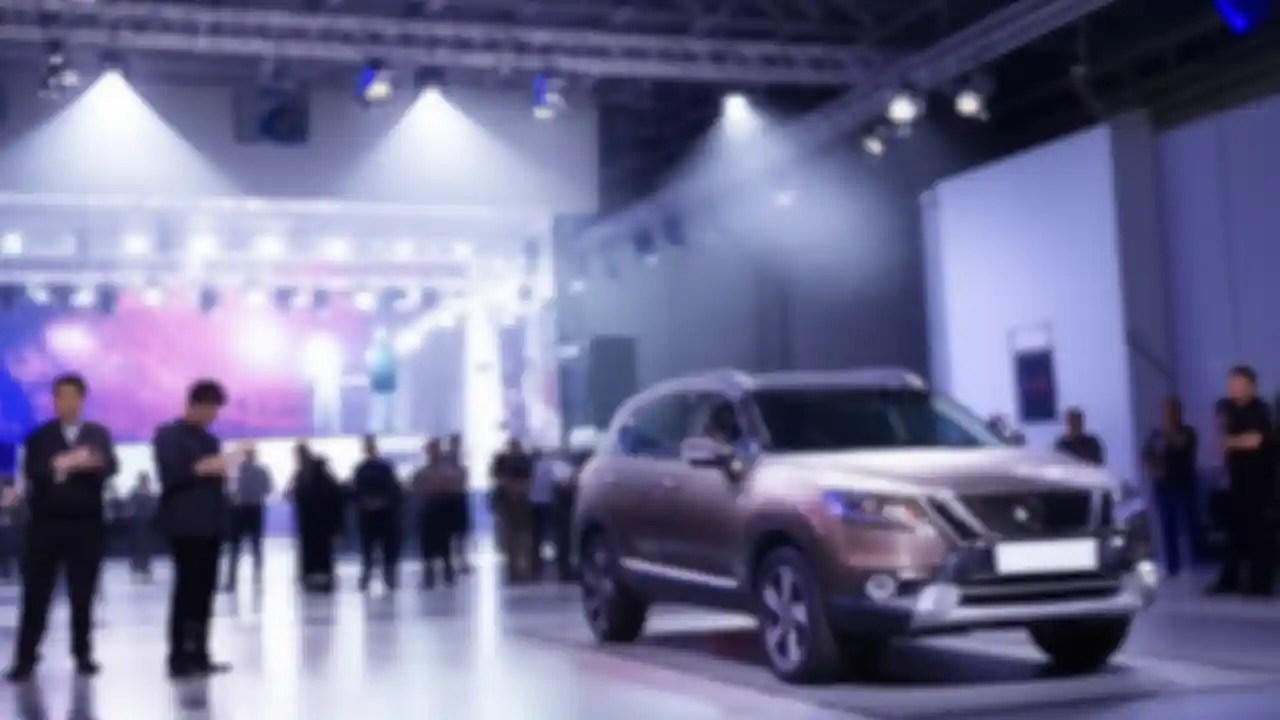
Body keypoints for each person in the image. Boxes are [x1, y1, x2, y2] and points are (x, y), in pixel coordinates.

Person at [6, 374, 118, 683]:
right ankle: (25, 657)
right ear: (54, 401)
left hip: (86, 525)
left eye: (72, 396)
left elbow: (109, 466)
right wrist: (66, 464)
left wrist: (87, 464)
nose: (66, 402)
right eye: (60, 396)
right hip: (46, 526)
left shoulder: (97, 434)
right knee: (36, 593)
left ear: (81, 400)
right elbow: (35, 471)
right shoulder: (39, 437)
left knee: (83, 593)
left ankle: (83, 654)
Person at [153, 379, 235, 678]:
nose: (213, 416)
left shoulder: (210, 441)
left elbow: (216, 478)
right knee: (186, 589)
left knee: (205, 591)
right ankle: (179, 655)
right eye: (211, 409)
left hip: (211, 524)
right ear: (196, 405)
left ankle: (200, 652)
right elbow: (173, 474)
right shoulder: (169, 435)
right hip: (184, 525)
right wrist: (206, 467)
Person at [1211, 366, 1276, 597]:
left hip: (1259, 484)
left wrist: (1230, 442)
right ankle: (1229, 581)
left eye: (1237, 384)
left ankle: (1260, 585)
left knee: (1259, 534)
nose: (1232, 389)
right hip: (1236, 482)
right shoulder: (1228, 409)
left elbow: (1256, 440)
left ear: (1251, 387)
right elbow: (1220, 437)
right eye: (1231, 384)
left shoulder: (1260, 410)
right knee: (1234, 533)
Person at [1142, 397, 1201, 577]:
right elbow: (1146, 456)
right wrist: (1153, 469)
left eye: (1173, 411)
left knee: (1191, 525)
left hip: (1185, 484)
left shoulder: (1188, 432)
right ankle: (1172, 566)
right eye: (1167, 411)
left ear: (1179, 412)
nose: (1170, 415)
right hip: (1163, 486)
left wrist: (1168, 434)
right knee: (1168, 526)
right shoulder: (1155, 435)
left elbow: (1181, 443)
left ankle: (1196, 563)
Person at [352, 435, 403, 591]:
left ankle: (388, 574)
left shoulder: (383, 468)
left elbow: (394, 489)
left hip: (384, 513)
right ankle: (368, 574)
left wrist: (383, 501)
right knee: (368, 547)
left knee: (386, 546)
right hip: (369, 513)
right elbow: (356, 490)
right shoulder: (362, 469)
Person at [292, 446, 344, 593]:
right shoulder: (323, 477)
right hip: (320, 523)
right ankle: (322, 577)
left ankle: (312, 577)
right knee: (323, 551)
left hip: (312, 522)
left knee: (312, 550)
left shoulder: (305, 476)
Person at [413, 439, 464, 588]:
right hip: (429, 509)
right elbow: (416, 485)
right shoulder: (423, 471)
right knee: (427, 544)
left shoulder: (448, 471)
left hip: (444, 509)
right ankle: (429, 573)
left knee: (445, 543)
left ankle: (448, 571)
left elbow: (456, 486)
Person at [224, 444, 272, 591]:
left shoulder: (237, 471)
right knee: (255, 546)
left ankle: (232, 580)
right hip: (254, 509)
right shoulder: (261, 471)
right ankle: (257, 579)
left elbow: (229, 491)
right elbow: (268, 489)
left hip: (240, 510)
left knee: (236, 547)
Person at [491, 437, 535, 583]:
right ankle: (513, 564)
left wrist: (519, 488)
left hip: (521, 502)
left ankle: (522, 565)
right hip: (506, 503)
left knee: (522, 535)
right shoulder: (501, 460)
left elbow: (529, 478)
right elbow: (497, 477)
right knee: (508, 534)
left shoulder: (524, 461)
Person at [446, 432, 471, 574]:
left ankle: (462, 559)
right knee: (450, 534)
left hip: (460, 498)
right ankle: (450, 560)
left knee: (461, 534)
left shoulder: (461, 460)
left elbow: (463, 479)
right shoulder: (446, 461)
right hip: (449, 499)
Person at [128, 472, 159, 580]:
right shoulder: (135, 493)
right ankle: (137, 567)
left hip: (148, 524)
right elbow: (131, 508)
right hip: (137, 523)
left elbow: (154, 508)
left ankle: (145, 567)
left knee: (146, 546)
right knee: (137, 546)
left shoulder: (150, 493)